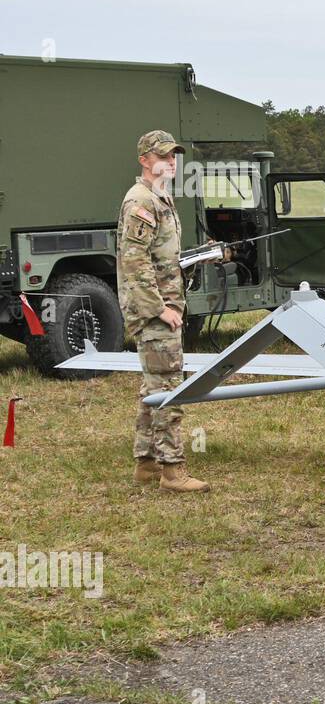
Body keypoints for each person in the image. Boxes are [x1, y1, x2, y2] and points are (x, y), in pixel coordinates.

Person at [117, 130, 209, 492]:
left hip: (164, 305)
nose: (171, 161)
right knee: (169, 388)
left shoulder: (160, 196)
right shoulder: (141, 200)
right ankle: (173, 471)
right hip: (155, 312)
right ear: (144, 159)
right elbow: (134, 260)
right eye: (163, 156)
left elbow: (159, 255)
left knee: (152, 389)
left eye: (173, 156)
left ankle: (146, 464)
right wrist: (160, 309)